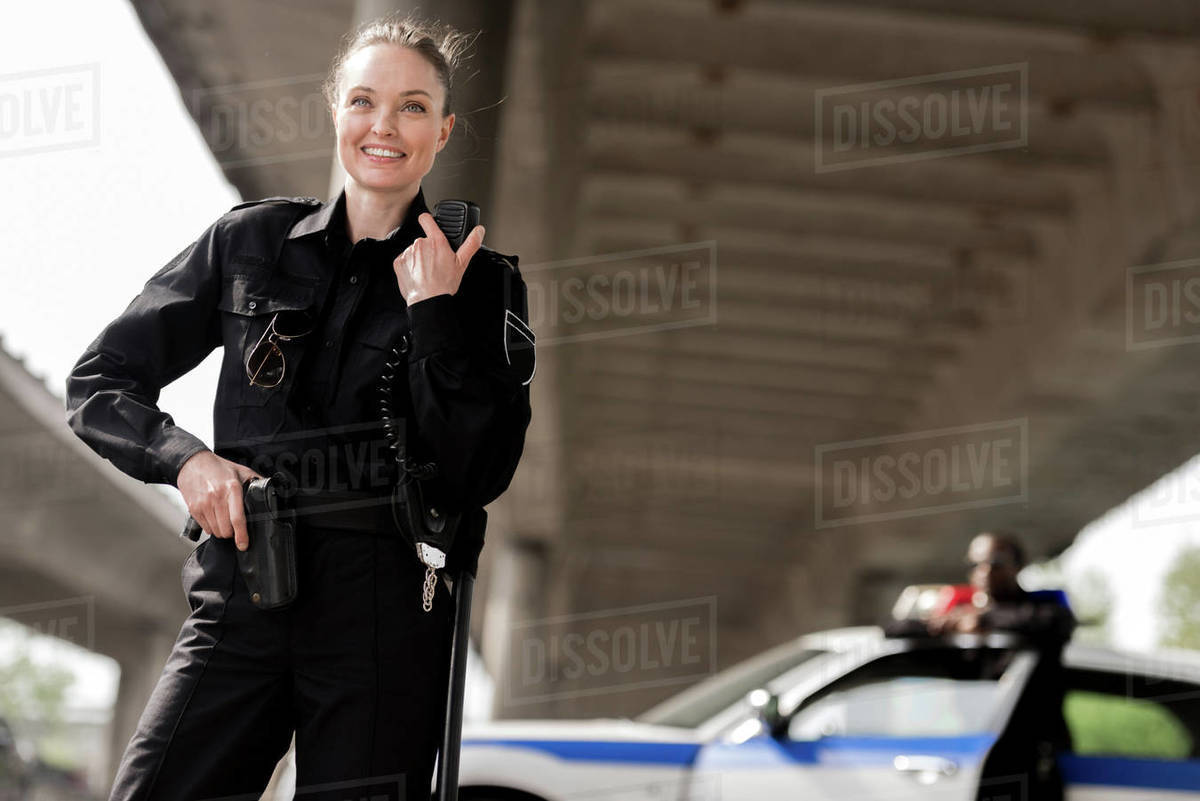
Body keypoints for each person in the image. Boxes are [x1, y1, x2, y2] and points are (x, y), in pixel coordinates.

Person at [64, 11, 533, 800]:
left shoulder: (480, 281)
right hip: (245, 586)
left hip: (385, 622)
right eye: (364, 101)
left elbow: (478, 471)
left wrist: (435, 315)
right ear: (336, 109)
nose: (385, 126)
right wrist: (187, 461)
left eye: (413, 107)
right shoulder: (248, 242)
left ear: (444, 130)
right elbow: (100, 381)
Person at [886, 531, 1075, 800]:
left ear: (1018, 566)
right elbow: (894, 630)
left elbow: (1055, 622)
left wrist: (983, 620)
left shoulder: (1039, 609)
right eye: (975, 564)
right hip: (980, 752)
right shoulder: (959, 614)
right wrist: (951, 623)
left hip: (1037, 751)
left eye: (996, 563)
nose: (984, 572)